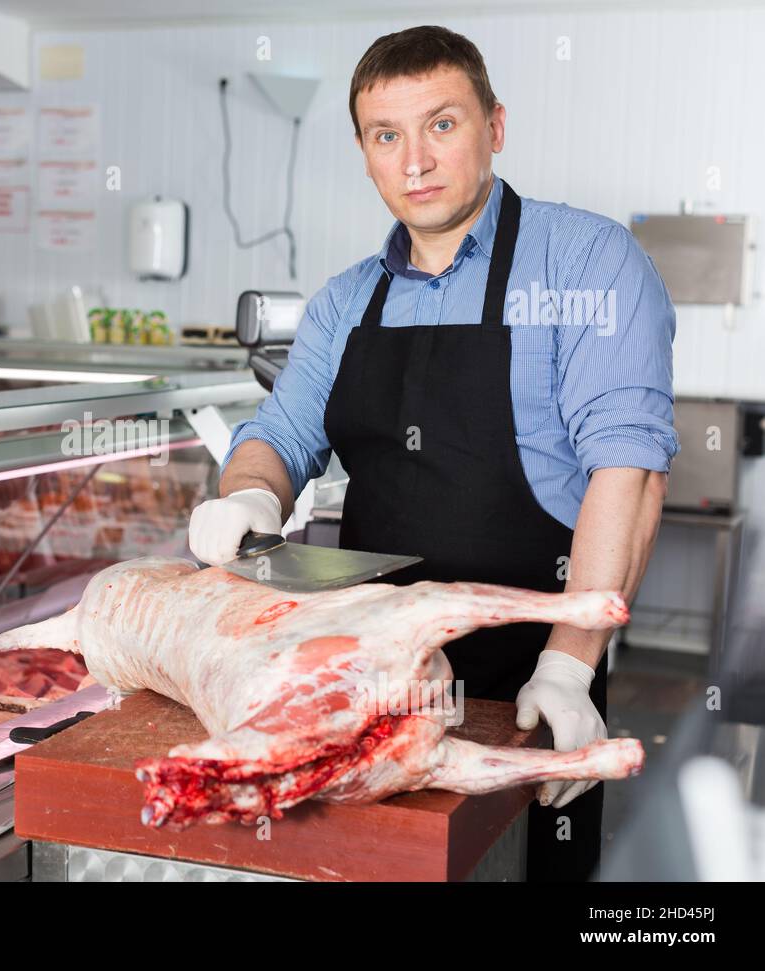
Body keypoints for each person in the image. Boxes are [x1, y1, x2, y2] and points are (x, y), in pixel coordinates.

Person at [188, 25, 677, 881]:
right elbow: (279, 434)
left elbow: (627, 475)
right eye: (388, 135)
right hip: (376, 687)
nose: (415, 161)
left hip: (528, 688)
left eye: (441, 125)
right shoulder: (345, 302)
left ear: (495, 125)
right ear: (364, 150)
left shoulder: (592, 261)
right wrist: (252, 498)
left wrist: (568, 666)